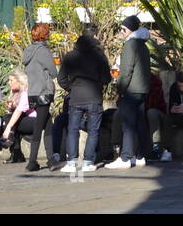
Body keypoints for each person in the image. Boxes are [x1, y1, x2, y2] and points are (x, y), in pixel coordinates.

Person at [59, 29, 112, 174]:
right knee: (93, 130)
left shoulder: (70, 56)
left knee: (73, 129)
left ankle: (71, 162)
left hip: (76, 98)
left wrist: (72, 88)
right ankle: (88, 162)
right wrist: (99, 84)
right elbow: (107, 78)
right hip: (94, 97)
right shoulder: (99, 56)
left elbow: (61, 78)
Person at [107, 15, 151, 169]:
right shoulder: (143, 45)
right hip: (142, 90)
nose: (122, 31)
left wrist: (120, 89)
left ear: (130, 29)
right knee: (139, 123)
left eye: (124, 28)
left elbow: (126, 71)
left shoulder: (130, 45)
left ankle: (125, 157)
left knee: (128, 124)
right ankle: (140, 156)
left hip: (131, 90)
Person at [20, 24, 59, 171]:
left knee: (48, 124)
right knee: (38, 127)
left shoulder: (28, 51)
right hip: (44, 91)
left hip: (33, 93)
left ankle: (50, 160)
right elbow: (54, 72)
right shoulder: (43, 51)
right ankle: (32, 161)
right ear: (44, 34)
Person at [0, 70, 41, 164]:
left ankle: (15, 152)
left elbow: (20, 111)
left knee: (8, 119)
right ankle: (16, 154)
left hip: (35, 121)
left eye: (11, 80)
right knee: (8, 117)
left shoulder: (26, 92)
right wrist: (12, 107)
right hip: (25, 119)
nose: (9, 83)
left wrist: (8, 128)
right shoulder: (16, 93)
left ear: (19, 81)